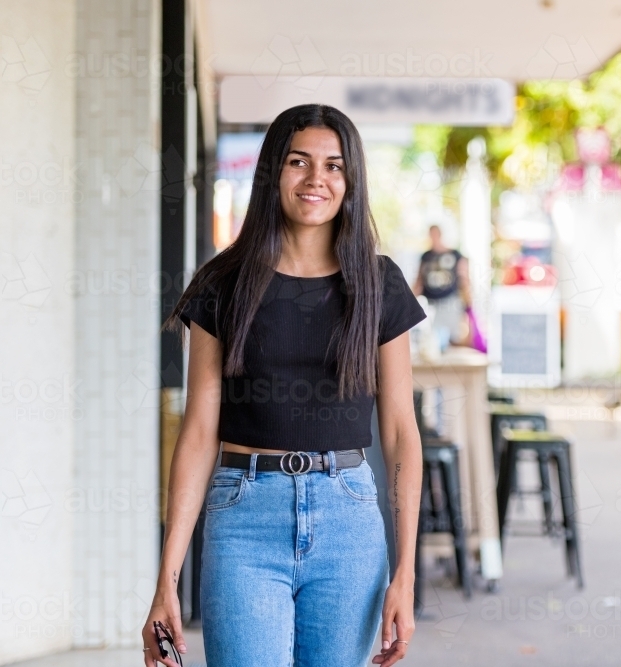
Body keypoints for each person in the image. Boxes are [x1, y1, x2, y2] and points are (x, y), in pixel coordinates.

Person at [144, 104, 426, 667]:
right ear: (273, 171)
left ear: (351, 181)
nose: (316, 179)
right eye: (299, 162)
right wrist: (166, 578)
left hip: (348, 517)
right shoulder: (224, 283)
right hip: (243, 515)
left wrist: (406, 572)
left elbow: (399, 431)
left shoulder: (378, 283)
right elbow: (200, 431)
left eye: (334, 166)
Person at [411, 224, 472, 352]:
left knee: (455, 338)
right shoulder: (426, 257)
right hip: (432, 304)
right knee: (433, 341)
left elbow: (464, 279)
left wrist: (468, 304)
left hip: (451, 302)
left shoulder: (455, 255)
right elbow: (419, 281)